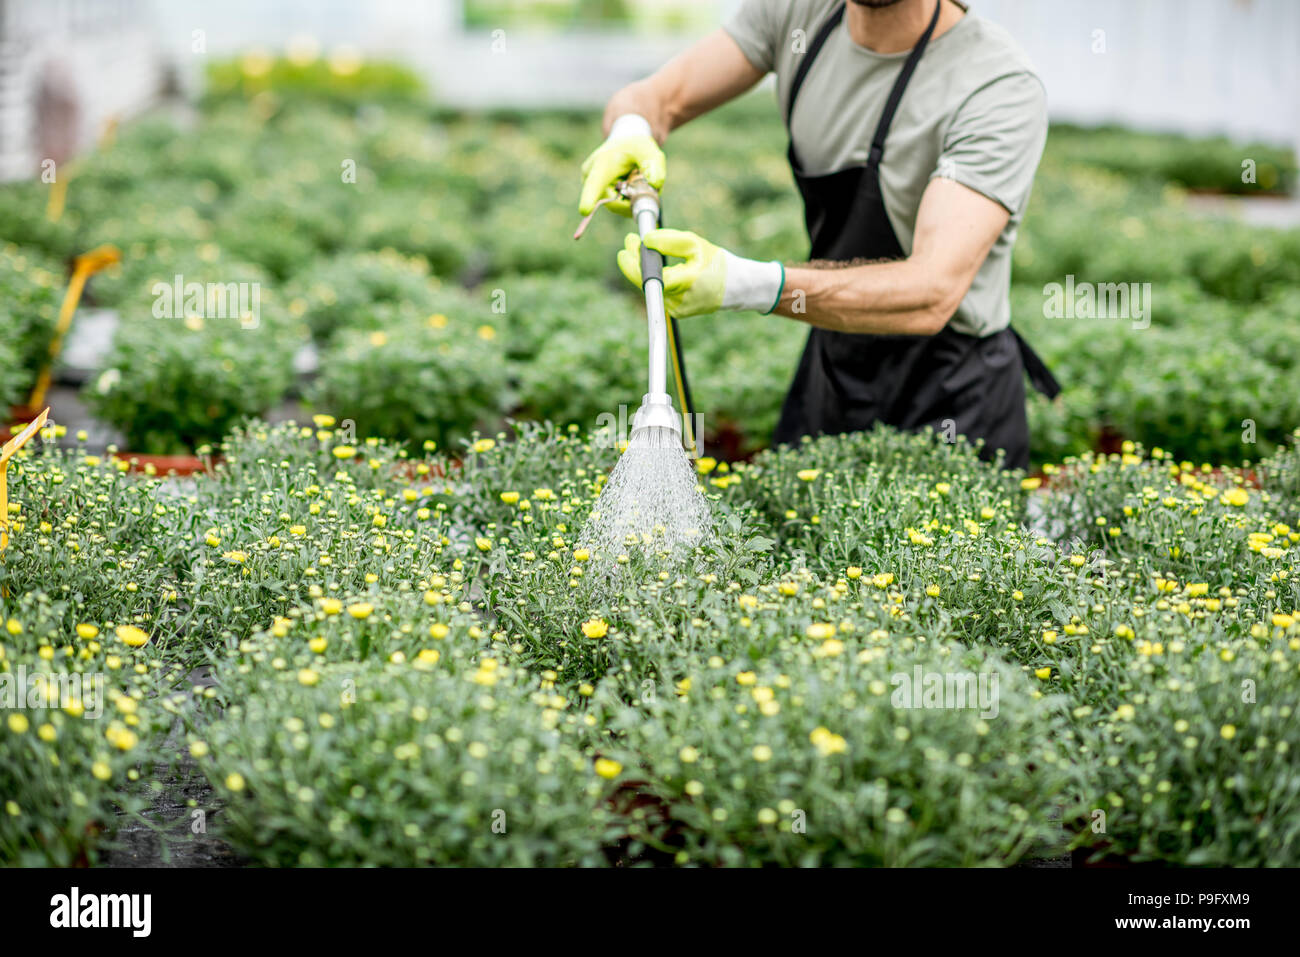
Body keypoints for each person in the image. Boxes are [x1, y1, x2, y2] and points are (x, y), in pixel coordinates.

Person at [578, 0, 1060, 469]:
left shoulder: (995, 83)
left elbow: (930, 292)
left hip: (951, 388)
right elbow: (656, 97)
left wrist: (741, 283)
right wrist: (630, 131)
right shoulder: (797, 14)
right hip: (832, 360)